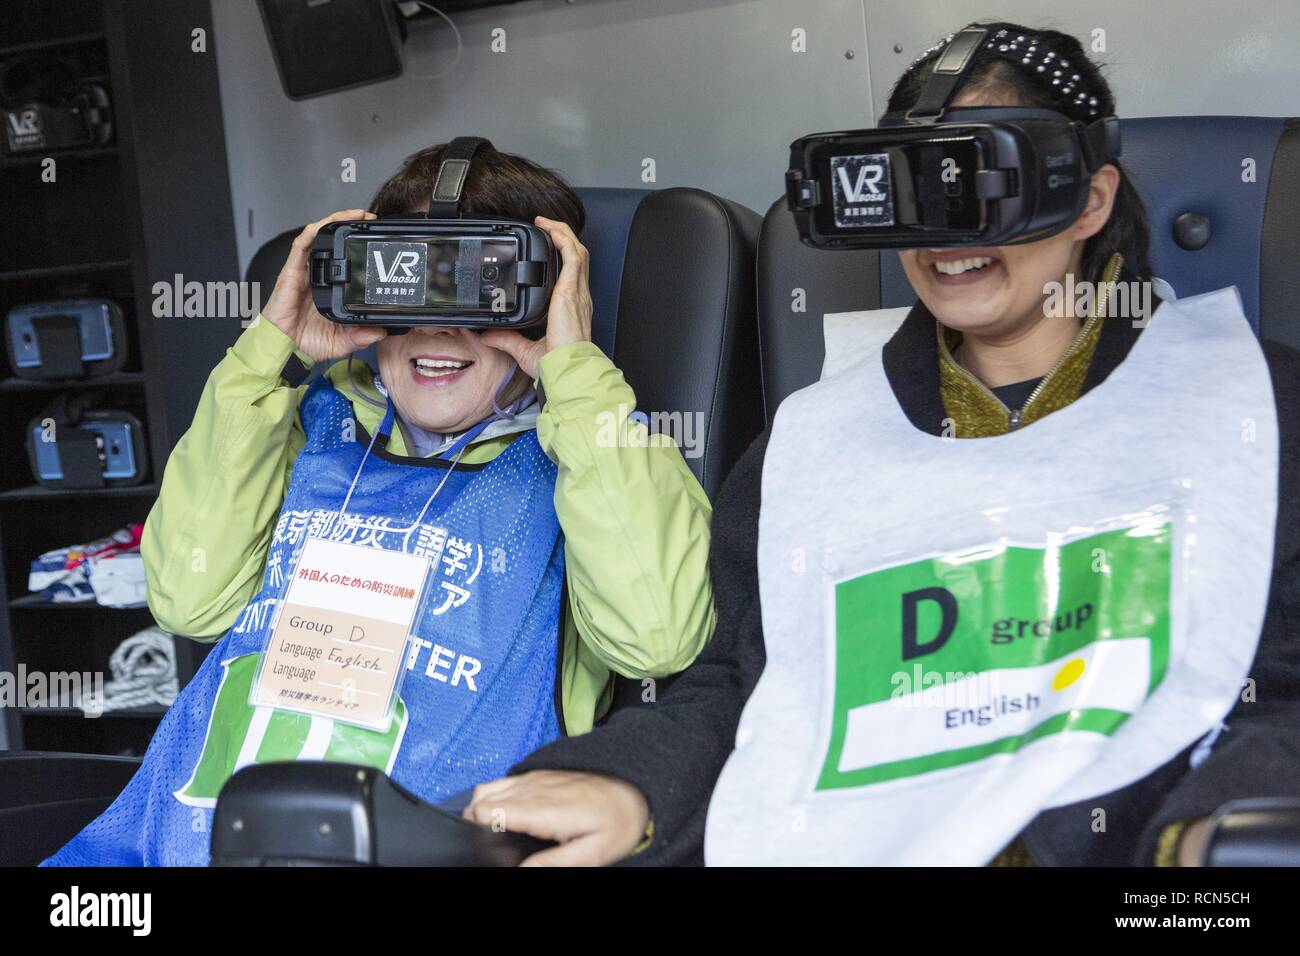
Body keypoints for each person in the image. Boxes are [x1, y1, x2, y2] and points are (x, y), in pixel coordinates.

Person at [470, 21, 1300, 866]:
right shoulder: (812, 441)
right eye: (916, 191)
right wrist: (627, 786)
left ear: (1088, 199)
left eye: (982, 186)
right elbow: (744, 687)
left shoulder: (1250, 405)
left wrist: (1217, 836)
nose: (947, 237)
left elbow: (1282, 690)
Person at [43, 142, 714, 866]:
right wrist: (267, 359)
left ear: (545, 304)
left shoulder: (595, 455)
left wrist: (573, 375)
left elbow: (656, 642)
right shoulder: (303, 423)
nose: (436, 329)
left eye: (477, 288)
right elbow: (187, 599)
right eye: (408, 282)